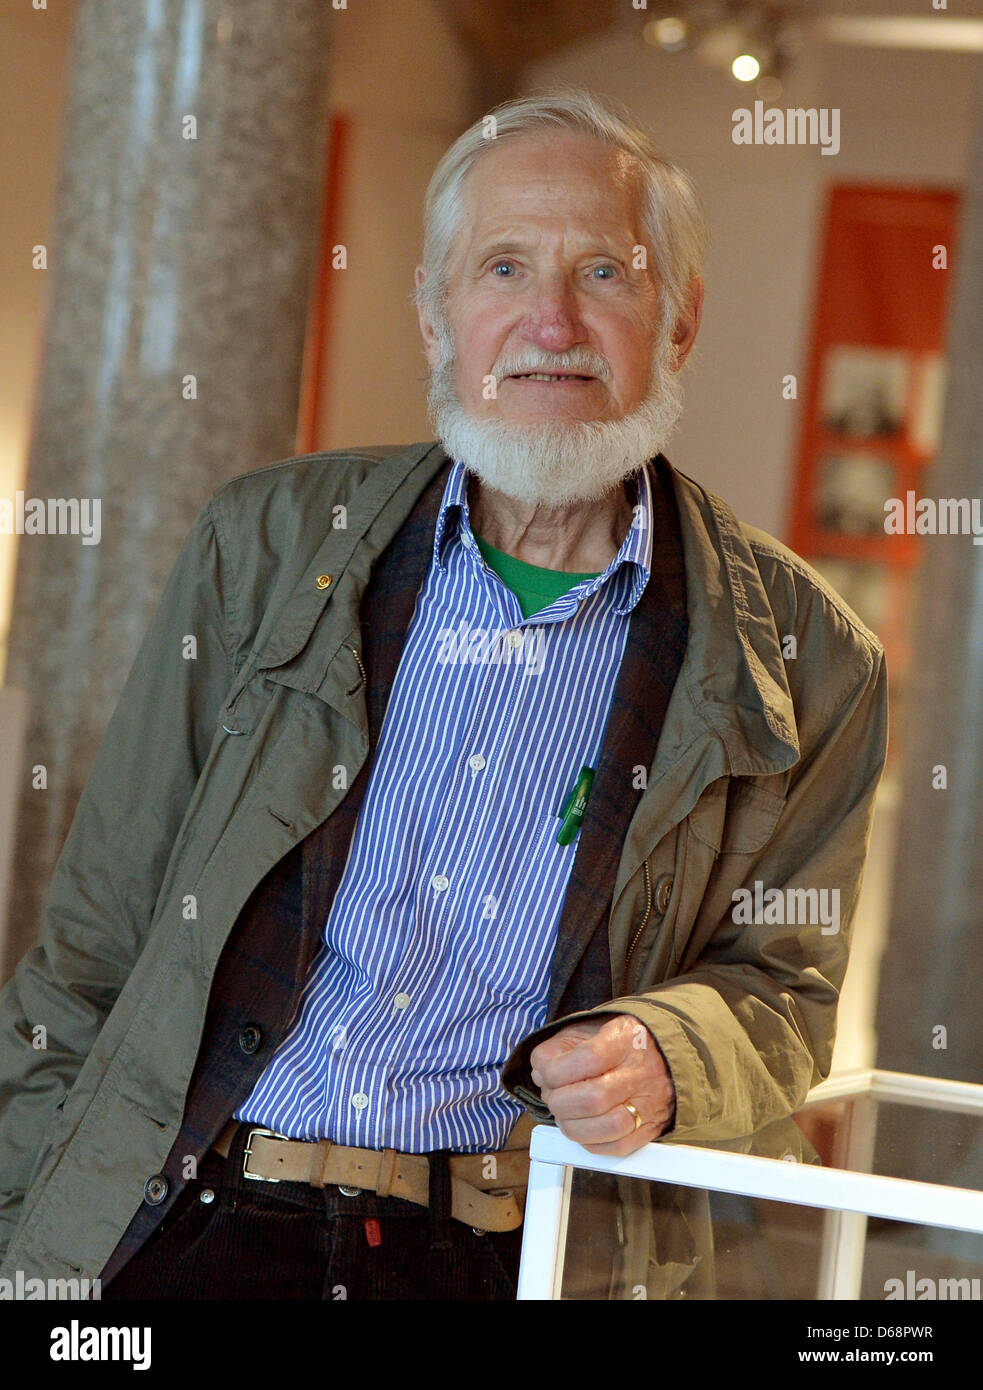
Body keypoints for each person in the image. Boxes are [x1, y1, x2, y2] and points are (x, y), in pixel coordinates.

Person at [0, 89, 888, 1301]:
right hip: (188, 1223)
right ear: (433, 312)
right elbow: (94, 946)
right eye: (503, 267)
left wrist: (668, 1051)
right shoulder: (259, 547)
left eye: (605, 276)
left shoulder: (809, 658)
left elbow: (786, 993)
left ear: (677, 320)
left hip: (512, 1249)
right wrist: (26, 1229)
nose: (550, 322)